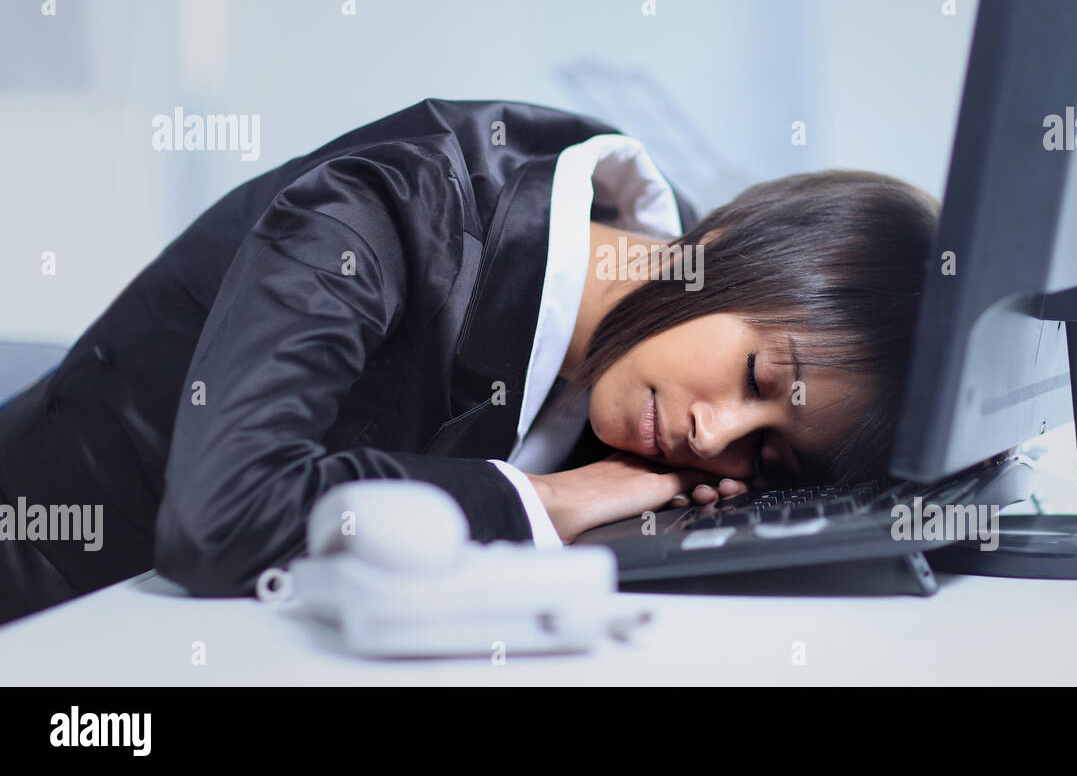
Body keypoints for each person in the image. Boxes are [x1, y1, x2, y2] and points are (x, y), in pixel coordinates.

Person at [0, 98, 938, 623]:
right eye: (757, 378)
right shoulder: (386, 213)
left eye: (767, 454)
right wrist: (552, 503)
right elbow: (222, 520)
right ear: (727, 241)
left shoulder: (641, 328)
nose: (714, 433)